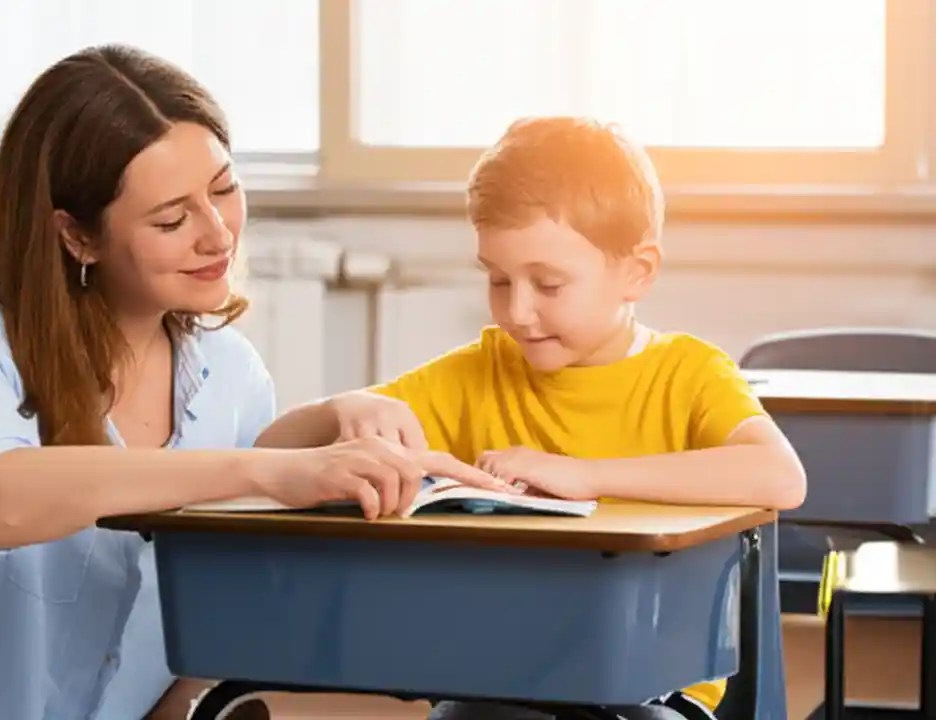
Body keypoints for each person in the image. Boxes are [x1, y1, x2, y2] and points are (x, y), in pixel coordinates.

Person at [0, 44, 497, 720]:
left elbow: (221, 579)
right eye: (172, 218)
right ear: (77, 235)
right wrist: (269, 470)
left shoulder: (228, 371)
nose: (218, 233)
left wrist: (337, 416)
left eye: (225, 189)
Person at [258, 117, 806, 719]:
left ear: (637, 272)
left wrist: (588, 476)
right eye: (498, 280)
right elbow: (267, 452)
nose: (517, 311)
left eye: (548, 284)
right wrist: (340, 408)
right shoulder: (478, 374)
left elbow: (780, 477)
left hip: (656, 691)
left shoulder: (689, 373)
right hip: (501, 683)